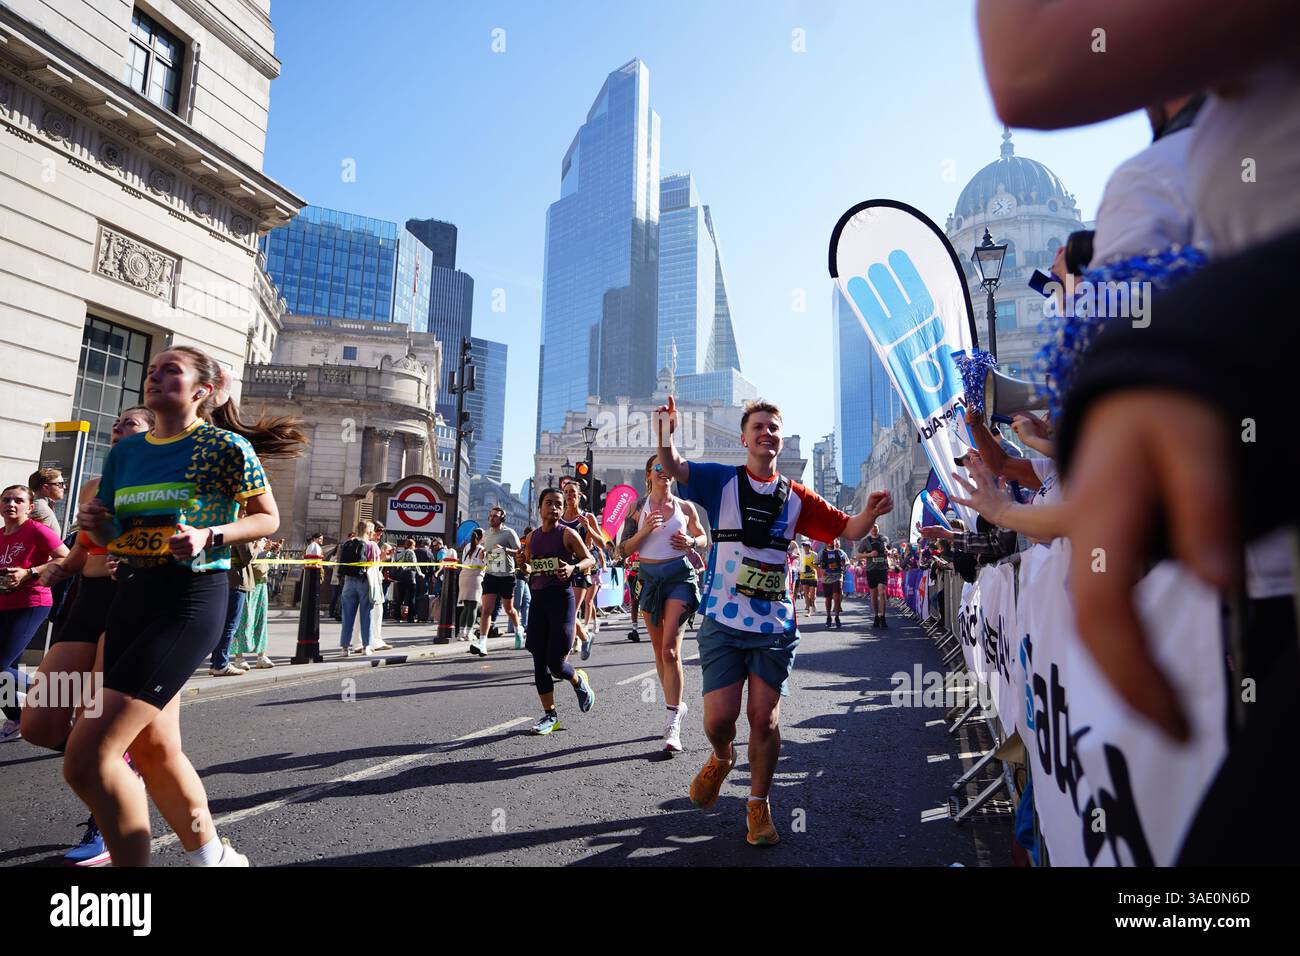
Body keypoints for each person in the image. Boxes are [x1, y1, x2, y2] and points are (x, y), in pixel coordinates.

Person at [71, 344, 303, 866]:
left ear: (203, 390)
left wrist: (209, 535)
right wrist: (97, 526)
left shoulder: (222, 447)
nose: (154, 378)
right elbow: (113, 532)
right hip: (130, 596)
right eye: (151, 370)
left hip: (188, 598)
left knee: (88, 757)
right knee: (155, 750)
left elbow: (267, 519)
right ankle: (213, 858)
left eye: (169, 371)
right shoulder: (125, 454)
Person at [656, 395, 892, 845]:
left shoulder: (797, 496)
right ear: (745, 438)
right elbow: (674, 465)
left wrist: (870, 513)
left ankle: (758, 805)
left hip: (772, 625)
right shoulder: (719, 480)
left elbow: (847, 528)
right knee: (717, 721)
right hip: (724, 621)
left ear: (780, 441)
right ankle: (722, 757)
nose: (766, 433)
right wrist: (665, 432)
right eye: (758, 427)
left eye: (774, 428)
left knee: (763, 719)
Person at [23, 406, 153, 865]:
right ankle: (122, 768)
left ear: (152, 434)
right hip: (89, 598)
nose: (119, 428)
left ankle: (105, 819)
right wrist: (49, 569)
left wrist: (140, 559)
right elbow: (81, 551)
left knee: (92, 715)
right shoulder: (95, 486)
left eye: (131, 424)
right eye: (117, 423)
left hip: (131, 602)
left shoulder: (160, 484)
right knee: (38, 723)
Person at [618, 455, 706, 752]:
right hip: (650, 581)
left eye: (668, 469)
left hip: (679, 578)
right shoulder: (636, 509)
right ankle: (676, 705)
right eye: (659, 468)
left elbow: (703, 536)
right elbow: (622, 549)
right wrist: (645, 531)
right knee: (659, 652)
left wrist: (692, 544)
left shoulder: (684, 507)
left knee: (670, 650)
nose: (664, 472)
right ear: (648, 474)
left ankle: (672, 725)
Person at [523, 487, 597, 735]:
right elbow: (527, 567)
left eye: (558, 504)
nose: (554, 508)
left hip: (562, 601)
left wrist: (573, 569)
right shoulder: (532, 538)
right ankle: (550, 715)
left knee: (555, 662)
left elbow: (590, 560)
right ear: (539, 508)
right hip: (539, 600)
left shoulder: (568, 534)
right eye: (549, 503)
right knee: (538, 661)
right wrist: (521, 564)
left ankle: (578, 681)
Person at [1, 485, 71, 742]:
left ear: (29, 507)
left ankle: (50, 696)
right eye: (6, 500)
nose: (11, 504)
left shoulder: (38, 531)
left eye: (18, 500)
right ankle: (17, 718)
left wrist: (28, 572)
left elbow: (66, 558)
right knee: (5, 667)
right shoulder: (0, 535)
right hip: (3, 604)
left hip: (31, 603)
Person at [558, 482, 604, 658]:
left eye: (573, 492)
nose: (569, 495)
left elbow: (601, 543)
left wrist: (589, 528)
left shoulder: (587, 516)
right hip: (562, 569)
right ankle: (585, 637)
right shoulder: (559, 518)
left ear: (579, 496)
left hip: (581, 569)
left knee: (570, 613)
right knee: (563, 611)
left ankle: (563, 660)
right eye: (566, 492)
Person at [476, 506, 524, 656]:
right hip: (491, 574)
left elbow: (519, 551)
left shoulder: (509, 533)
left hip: (506, 576)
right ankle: (482, 643)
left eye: (495, 516)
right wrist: (483, 553)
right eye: (490, 516)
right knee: (486, 610)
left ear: (502, 518)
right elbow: (486, 550)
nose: (492, 518)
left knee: (509, 609)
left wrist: (504, 549)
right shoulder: (487, 533)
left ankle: (518, 629)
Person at [230, 537, 272, 669]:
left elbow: (263, 559)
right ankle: (239, 657)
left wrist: (270, 550)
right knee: (244, 620)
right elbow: (247, 557)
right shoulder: (247, 536)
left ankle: (261, 656)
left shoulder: (261, 537)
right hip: (248, 581)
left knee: (261, 620)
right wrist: (259, 546)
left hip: (261, 582)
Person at [337, 520, 377, 655]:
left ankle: (344, 647)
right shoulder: (370, 545)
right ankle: (366, 646)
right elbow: (373, 564)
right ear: (369, 532)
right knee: (366, 614)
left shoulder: (348, 543)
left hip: (348, 581)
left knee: (347, 615)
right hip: (364, 581)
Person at [457, 528, 486, 642]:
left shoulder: (467, 546)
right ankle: (469, 633)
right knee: (473, 607)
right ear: (481, 537)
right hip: (475, 577)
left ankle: (461, 633)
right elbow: (485, 564)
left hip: (464, 576)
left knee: (466, 607)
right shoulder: (482, 549)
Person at [858, 524, 890, 628]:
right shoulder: (865, 541)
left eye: (875, 527)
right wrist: (869, 555)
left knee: (882, 592)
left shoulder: (884, 539)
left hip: (882, 568)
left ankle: (883, 617)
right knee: (874, 595)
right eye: (872, 527)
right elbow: (858, 555)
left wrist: (887, 552)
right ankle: (876, 616)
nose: (874, 529)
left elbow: (889, 550)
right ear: (869, 529)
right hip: (871, 569)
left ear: (878, 529)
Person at [27, 467, 67, 538]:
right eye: (60, 484)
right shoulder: (39, 507)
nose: (64, 487)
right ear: (45, 487)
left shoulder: (44, 505)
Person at [818, 538, 849, 629]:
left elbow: (847, 562)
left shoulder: (840, 552)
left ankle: (837, 617)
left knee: (836, 596)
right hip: (826, 578)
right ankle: (828, 617)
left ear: (836, 542)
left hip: (837, 576)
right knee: (828, 598)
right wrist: (821, 570)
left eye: (833, 541)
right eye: (829, 540)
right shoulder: (822, 552)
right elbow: (815, 564)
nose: (831, 542)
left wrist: (844, 565)